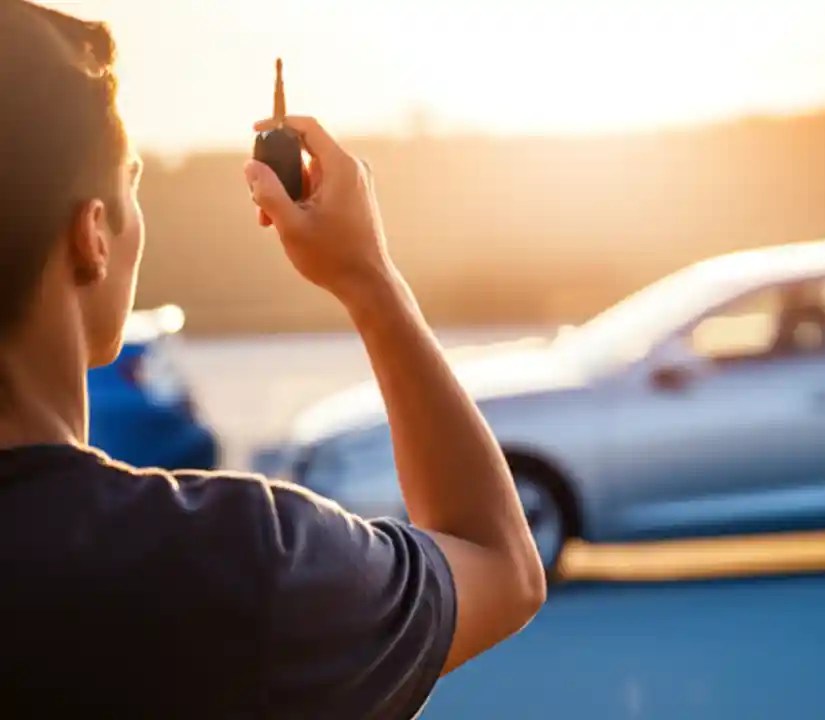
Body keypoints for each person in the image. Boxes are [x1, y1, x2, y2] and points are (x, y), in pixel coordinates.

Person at [0, 2, 545, 717]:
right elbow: (499, 562)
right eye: (131, 185)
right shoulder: (232, 562)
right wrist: (368, 279)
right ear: (92, 237)